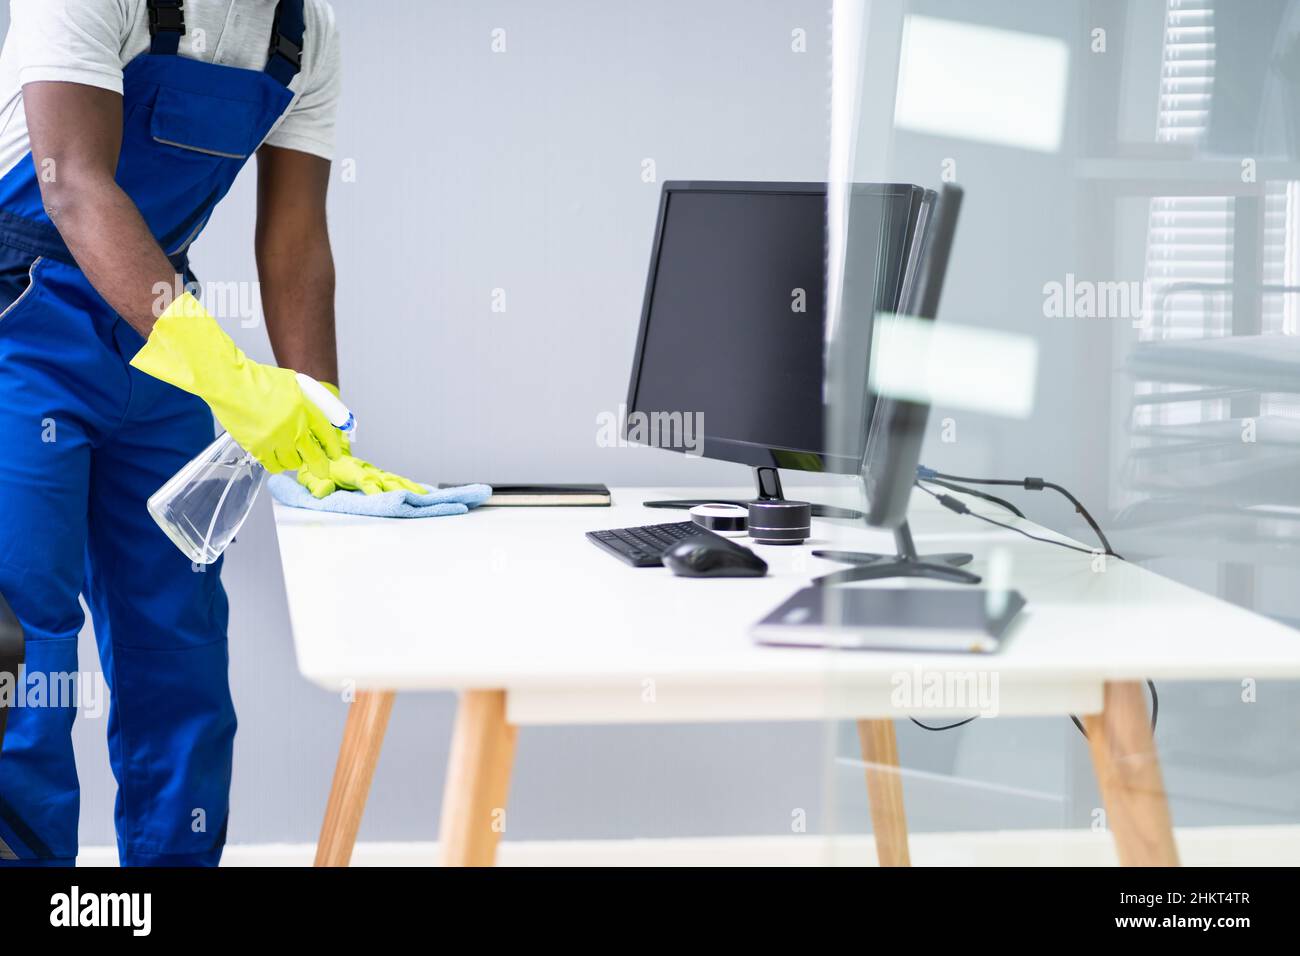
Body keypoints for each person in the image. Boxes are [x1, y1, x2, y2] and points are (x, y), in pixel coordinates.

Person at [0, 0, 417, 866]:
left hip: (158, 327)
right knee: (23, 650)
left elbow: (296, 237)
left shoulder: (306, 34)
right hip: (22, 321)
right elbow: (72, 181)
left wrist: (319, 413)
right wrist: (227, 377)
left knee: (178, 648)